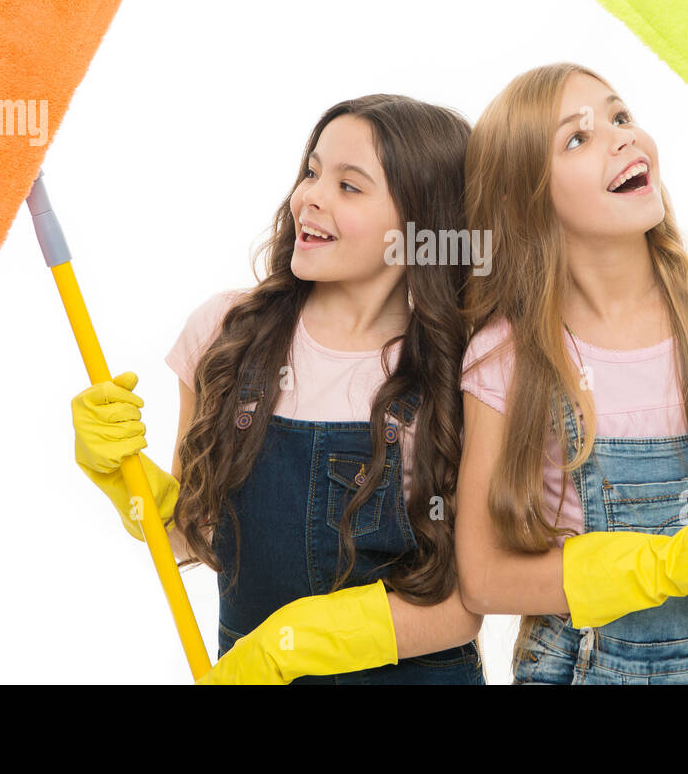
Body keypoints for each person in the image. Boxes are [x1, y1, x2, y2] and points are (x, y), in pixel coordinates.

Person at [72, 94, 485, 684]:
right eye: (312, 171)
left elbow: (467, 602)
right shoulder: (227, 336)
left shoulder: (460, 371)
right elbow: (189, 534)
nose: (309, 197)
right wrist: (126, 481)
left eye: (350, 186)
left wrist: (295, 646)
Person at [455, 63, 688, 684]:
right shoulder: (508, 357)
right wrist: (659, 565)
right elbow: (482, 580)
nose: (622, 137)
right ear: (525, 199)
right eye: (578, 137)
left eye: (621, 117)